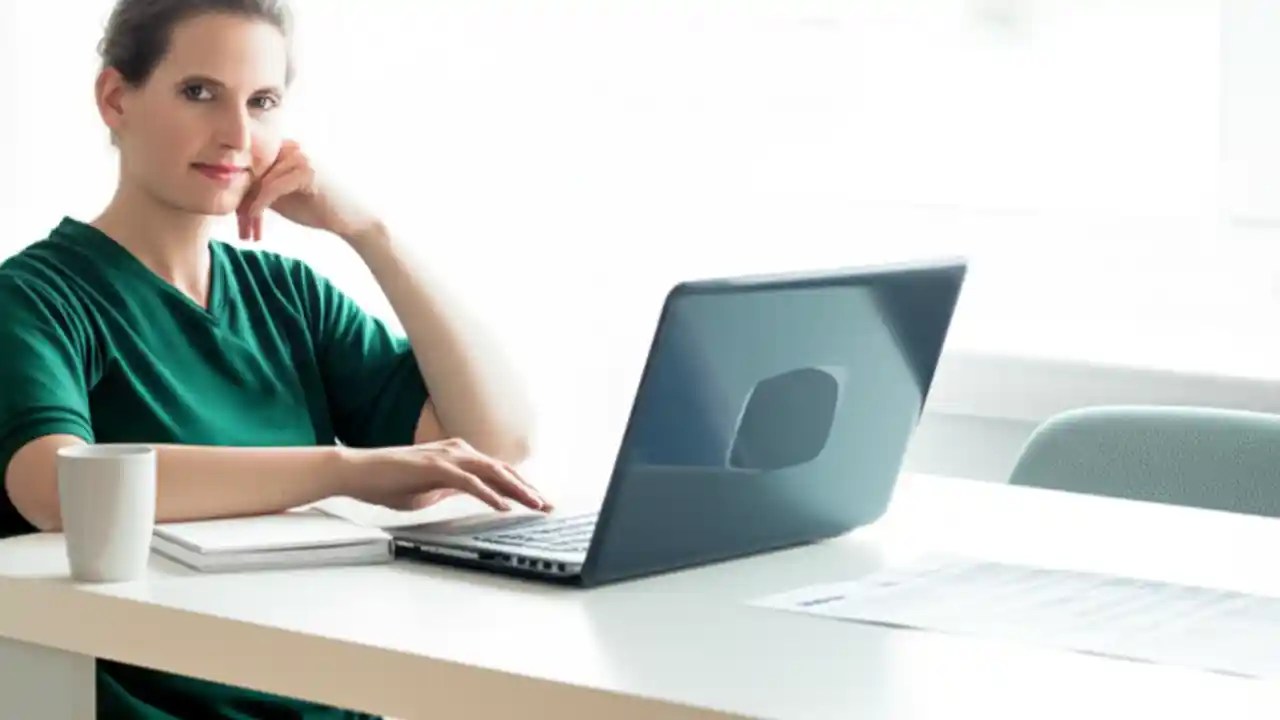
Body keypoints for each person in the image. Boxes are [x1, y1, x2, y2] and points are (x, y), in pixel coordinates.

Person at [0, 0, 552, 716]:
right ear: (116, 99)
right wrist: (351, 471)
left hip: (323, 692)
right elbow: (55, 488)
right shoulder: (35, 297)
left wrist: (368, 230)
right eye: (199, 93)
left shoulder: (287, 294)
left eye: (262, 103)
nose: (236, 135)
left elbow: (498, 440)